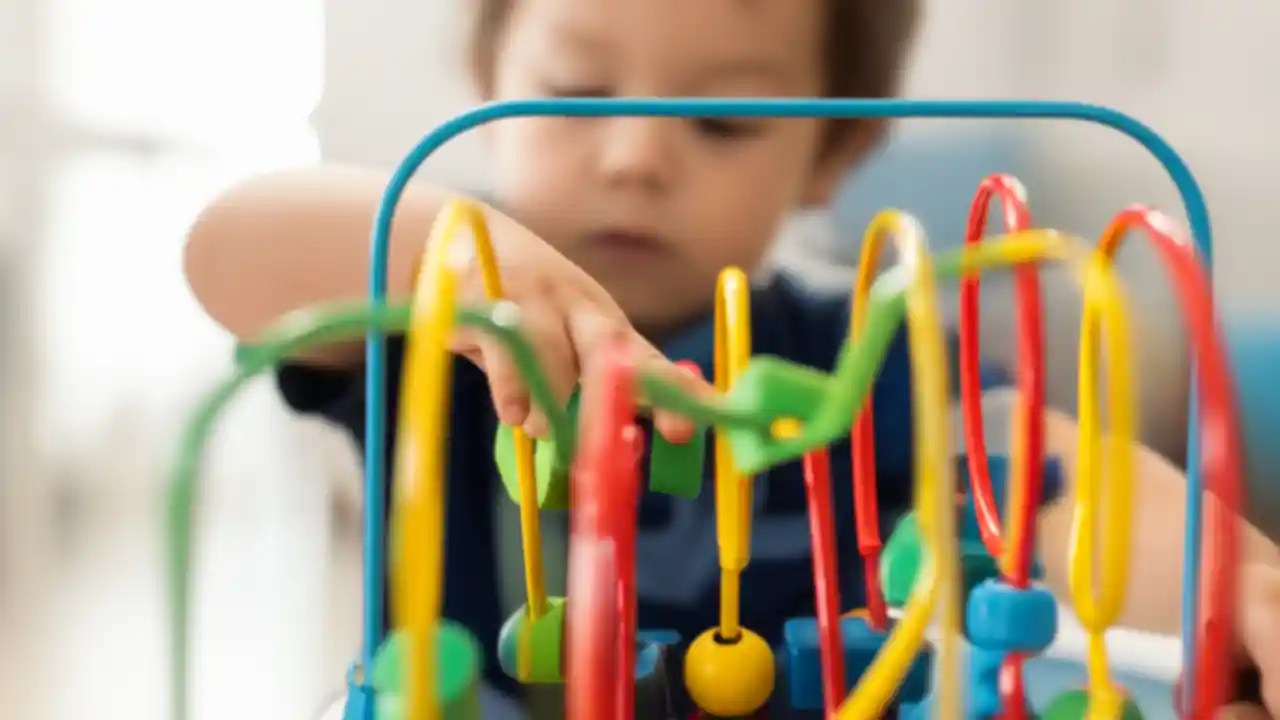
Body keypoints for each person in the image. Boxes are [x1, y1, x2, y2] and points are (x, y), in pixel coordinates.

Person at [183, 0, 1280, 716]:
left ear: (831, 151)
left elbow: (1043, 479)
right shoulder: (442, 331)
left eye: (721, 123)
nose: (635, 156)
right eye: (573, 97)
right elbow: (227, 247)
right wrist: (453, 261)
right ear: (485, 82)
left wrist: (1240, 585)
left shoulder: (863, 347)